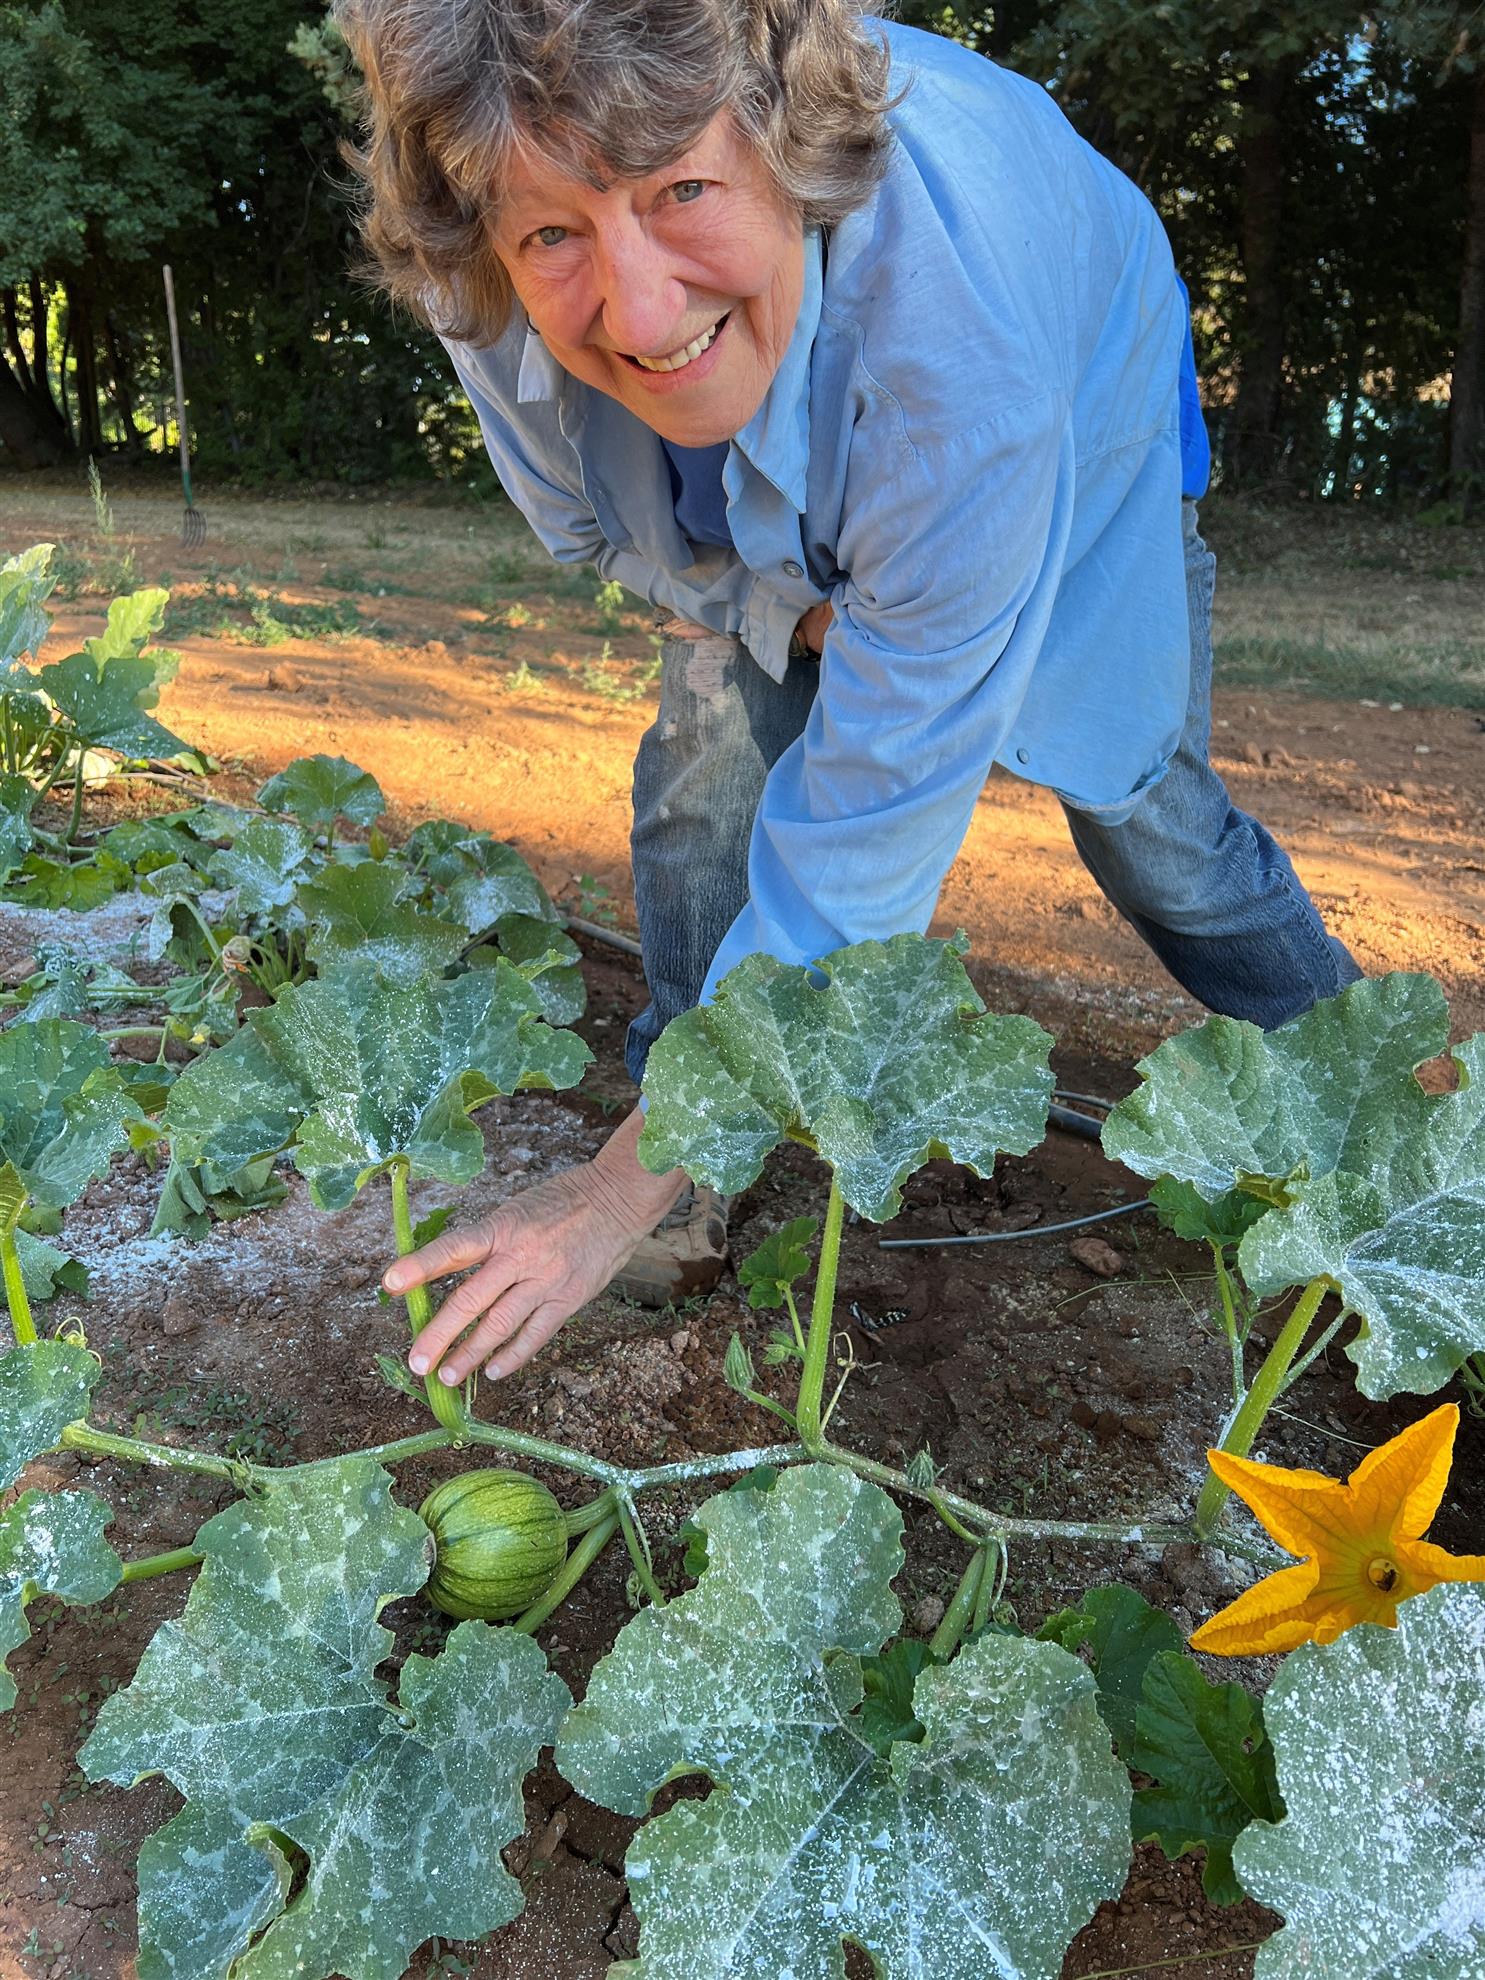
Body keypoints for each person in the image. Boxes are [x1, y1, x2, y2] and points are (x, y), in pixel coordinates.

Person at [336, 0, 1361, 1390]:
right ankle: (689, 1128)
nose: (636, 307)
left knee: (1147, 821)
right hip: (780, 463)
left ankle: (1376, 1119)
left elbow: (865, 843)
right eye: (554, 232)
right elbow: (602, 531)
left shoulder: (967, 365)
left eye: (681, 189)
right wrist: (773, 606)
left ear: (785, 141)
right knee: (710, 761)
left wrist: (601, 1199)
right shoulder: (491, 280)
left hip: (1080, 387)